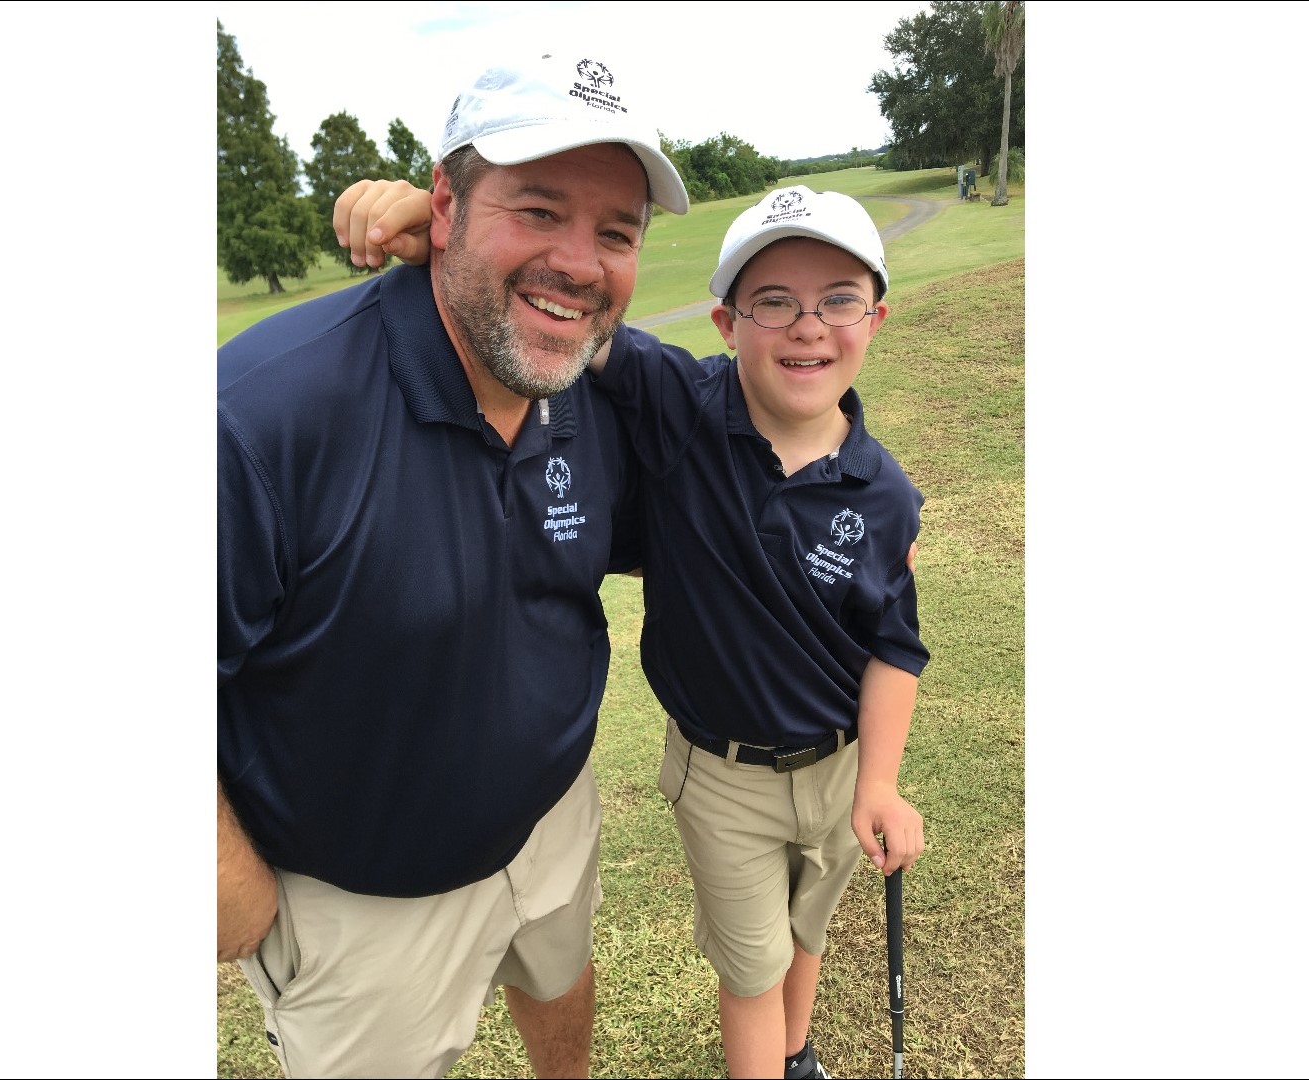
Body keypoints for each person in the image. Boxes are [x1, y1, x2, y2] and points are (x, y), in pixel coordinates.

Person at [336, 182, 928, 1079]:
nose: (808, 326)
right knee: (752, 970)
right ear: (727, 324)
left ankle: (797, 1055)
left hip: (841, 764)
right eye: (774, 301)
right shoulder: (680, 399)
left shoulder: (886, 495)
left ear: (874, 320)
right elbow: (566, 317)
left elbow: (893, 645)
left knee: (807, 932)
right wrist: (449, 238)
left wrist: (878, 782)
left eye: (838, 300)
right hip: (724, 776)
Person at [218, 49, 689, 1079]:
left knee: (559, 981)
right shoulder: (260, 414)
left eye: (616, 233)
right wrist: (229, 887)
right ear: (444, 204)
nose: (581, 262)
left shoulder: (589, 389)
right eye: (538, 209)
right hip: (363, 903)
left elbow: (748, 430)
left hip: (550, 824)